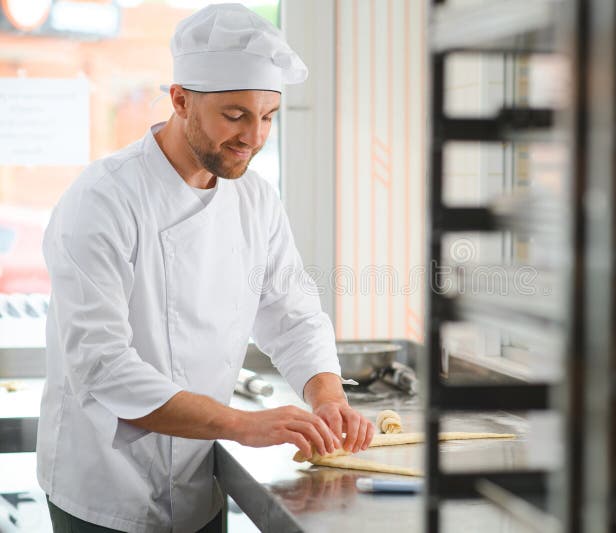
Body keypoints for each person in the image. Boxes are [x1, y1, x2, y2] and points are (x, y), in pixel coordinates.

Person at [36, 4, 374, 532]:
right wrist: (243, 425)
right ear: (179, 100)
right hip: (105, 489)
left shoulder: (256, 201)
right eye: (235, 116)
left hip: (198, 483)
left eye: (267, 117)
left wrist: (327, 397)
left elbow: (292, 314)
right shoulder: (103, 199)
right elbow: (103, 366)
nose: (254, 137)